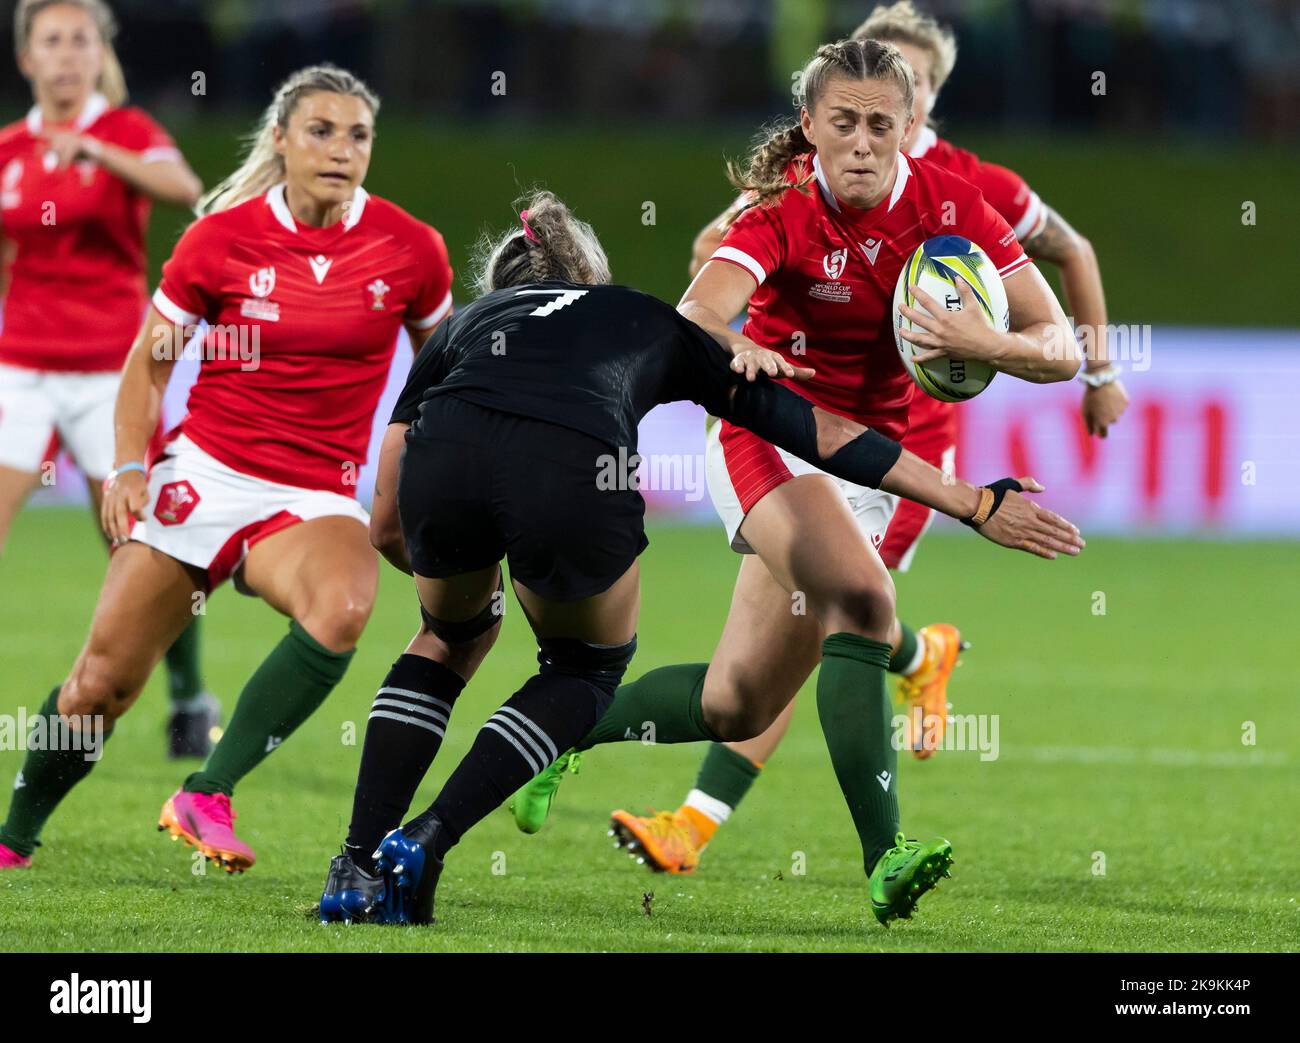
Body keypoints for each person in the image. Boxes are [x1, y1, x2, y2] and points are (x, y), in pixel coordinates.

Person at [317, 190, 1082, 927]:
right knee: (581, 671)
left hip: (445, 456)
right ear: (593, 279)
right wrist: (973, 502)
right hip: (570, 464)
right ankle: (425, 839)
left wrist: (460, 602)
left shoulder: (467, 322)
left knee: (443, 642)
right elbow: (820, 434)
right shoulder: (644, 315)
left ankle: (353, 871)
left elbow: (387, 504)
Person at [535, 0, 1131, 874]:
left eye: (881, 121)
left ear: (913, 119)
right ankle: (882, 856)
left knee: (737, 698)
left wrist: (990, 345)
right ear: (809, 125)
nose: (860, 140)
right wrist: (731, 337)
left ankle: (560, 725)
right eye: (842, 122)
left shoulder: (959, 201)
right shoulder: (779, 205)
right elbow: (698, 308)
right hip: (772, 436)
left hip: (886, 455)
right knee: (860, 603)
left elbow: (1053, 343)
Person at [0, 63, 454, 873]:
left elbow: (445, 372)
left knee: (344, 603)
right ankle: (14, 837)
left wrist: (438, 471)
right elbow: (149, 364)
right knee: (99, 687)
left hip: (316, 492)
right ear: (280, 140)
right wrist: (129, 466)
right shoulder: (220, 241)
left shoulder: (412, 249)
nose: (341, 149)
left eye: (358, 135)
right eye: (321, 130)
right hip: (204, 473)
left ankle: (207, 790)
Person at [0, 0, 216, 758]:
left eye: (79, 40)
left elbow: (185, 186)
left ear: (100, 53)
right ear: (27, 58)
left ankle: (189, 695)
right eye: (50, 41)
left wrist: (95, 153)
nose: (65, 55)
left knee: (140, 545)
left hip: (107, 373)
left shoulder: (125, 133)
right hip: (20, 369)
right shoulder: (9, 149)